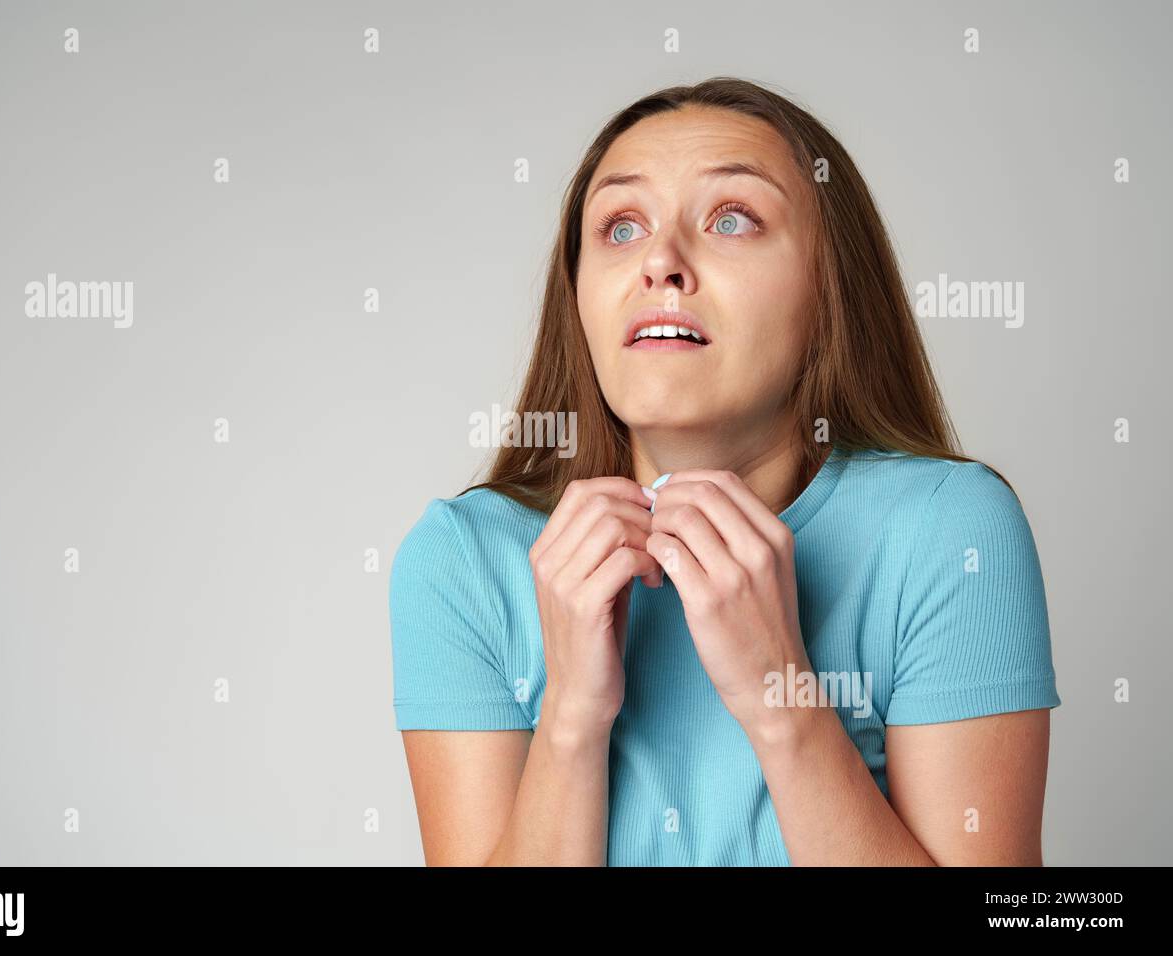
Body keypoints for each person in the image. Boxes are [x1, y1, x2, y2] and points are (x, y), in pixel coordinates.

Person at [388, 76, 1061, 866]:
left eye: (732, 219)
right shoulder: (460, 561)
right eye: (620, 226)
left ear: (828, 290)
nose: (661, 263)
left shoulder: (950, 531)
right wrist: (571, 719)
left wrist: (783, 700)